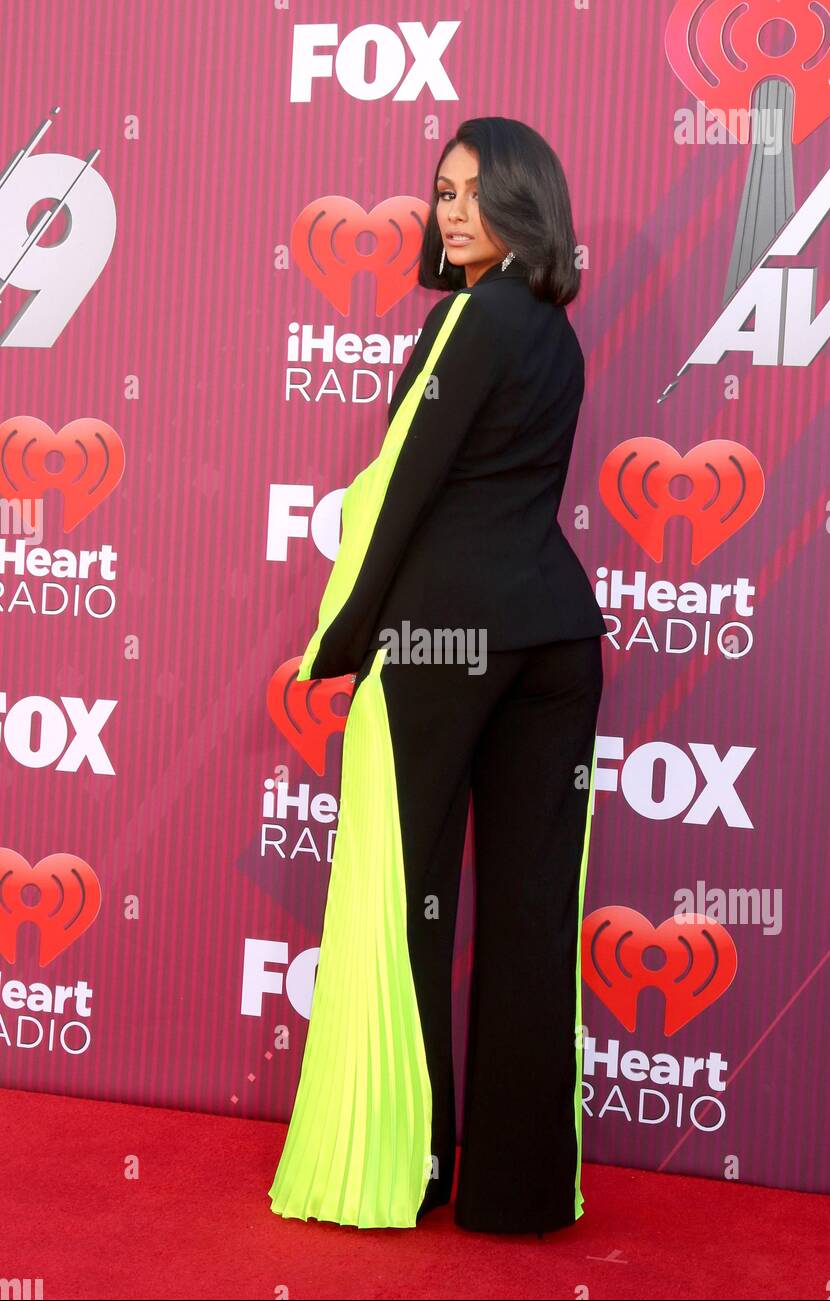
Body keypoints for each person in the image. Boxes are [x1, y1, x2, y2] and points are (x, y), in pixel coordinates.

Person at [268, 116, 607, 1235]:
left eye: (473, 192)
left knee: (398, 902)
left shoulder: (469, 317)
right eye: (441, 191)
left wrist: (342, 641)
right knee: (528, 913)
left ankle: (401, 1163)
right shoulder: (555, 333)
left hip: (441, 646)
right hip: (555, 638)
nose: (449, 211)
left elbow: (398, 487)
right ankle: (515, 1194)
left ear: (524, 205)